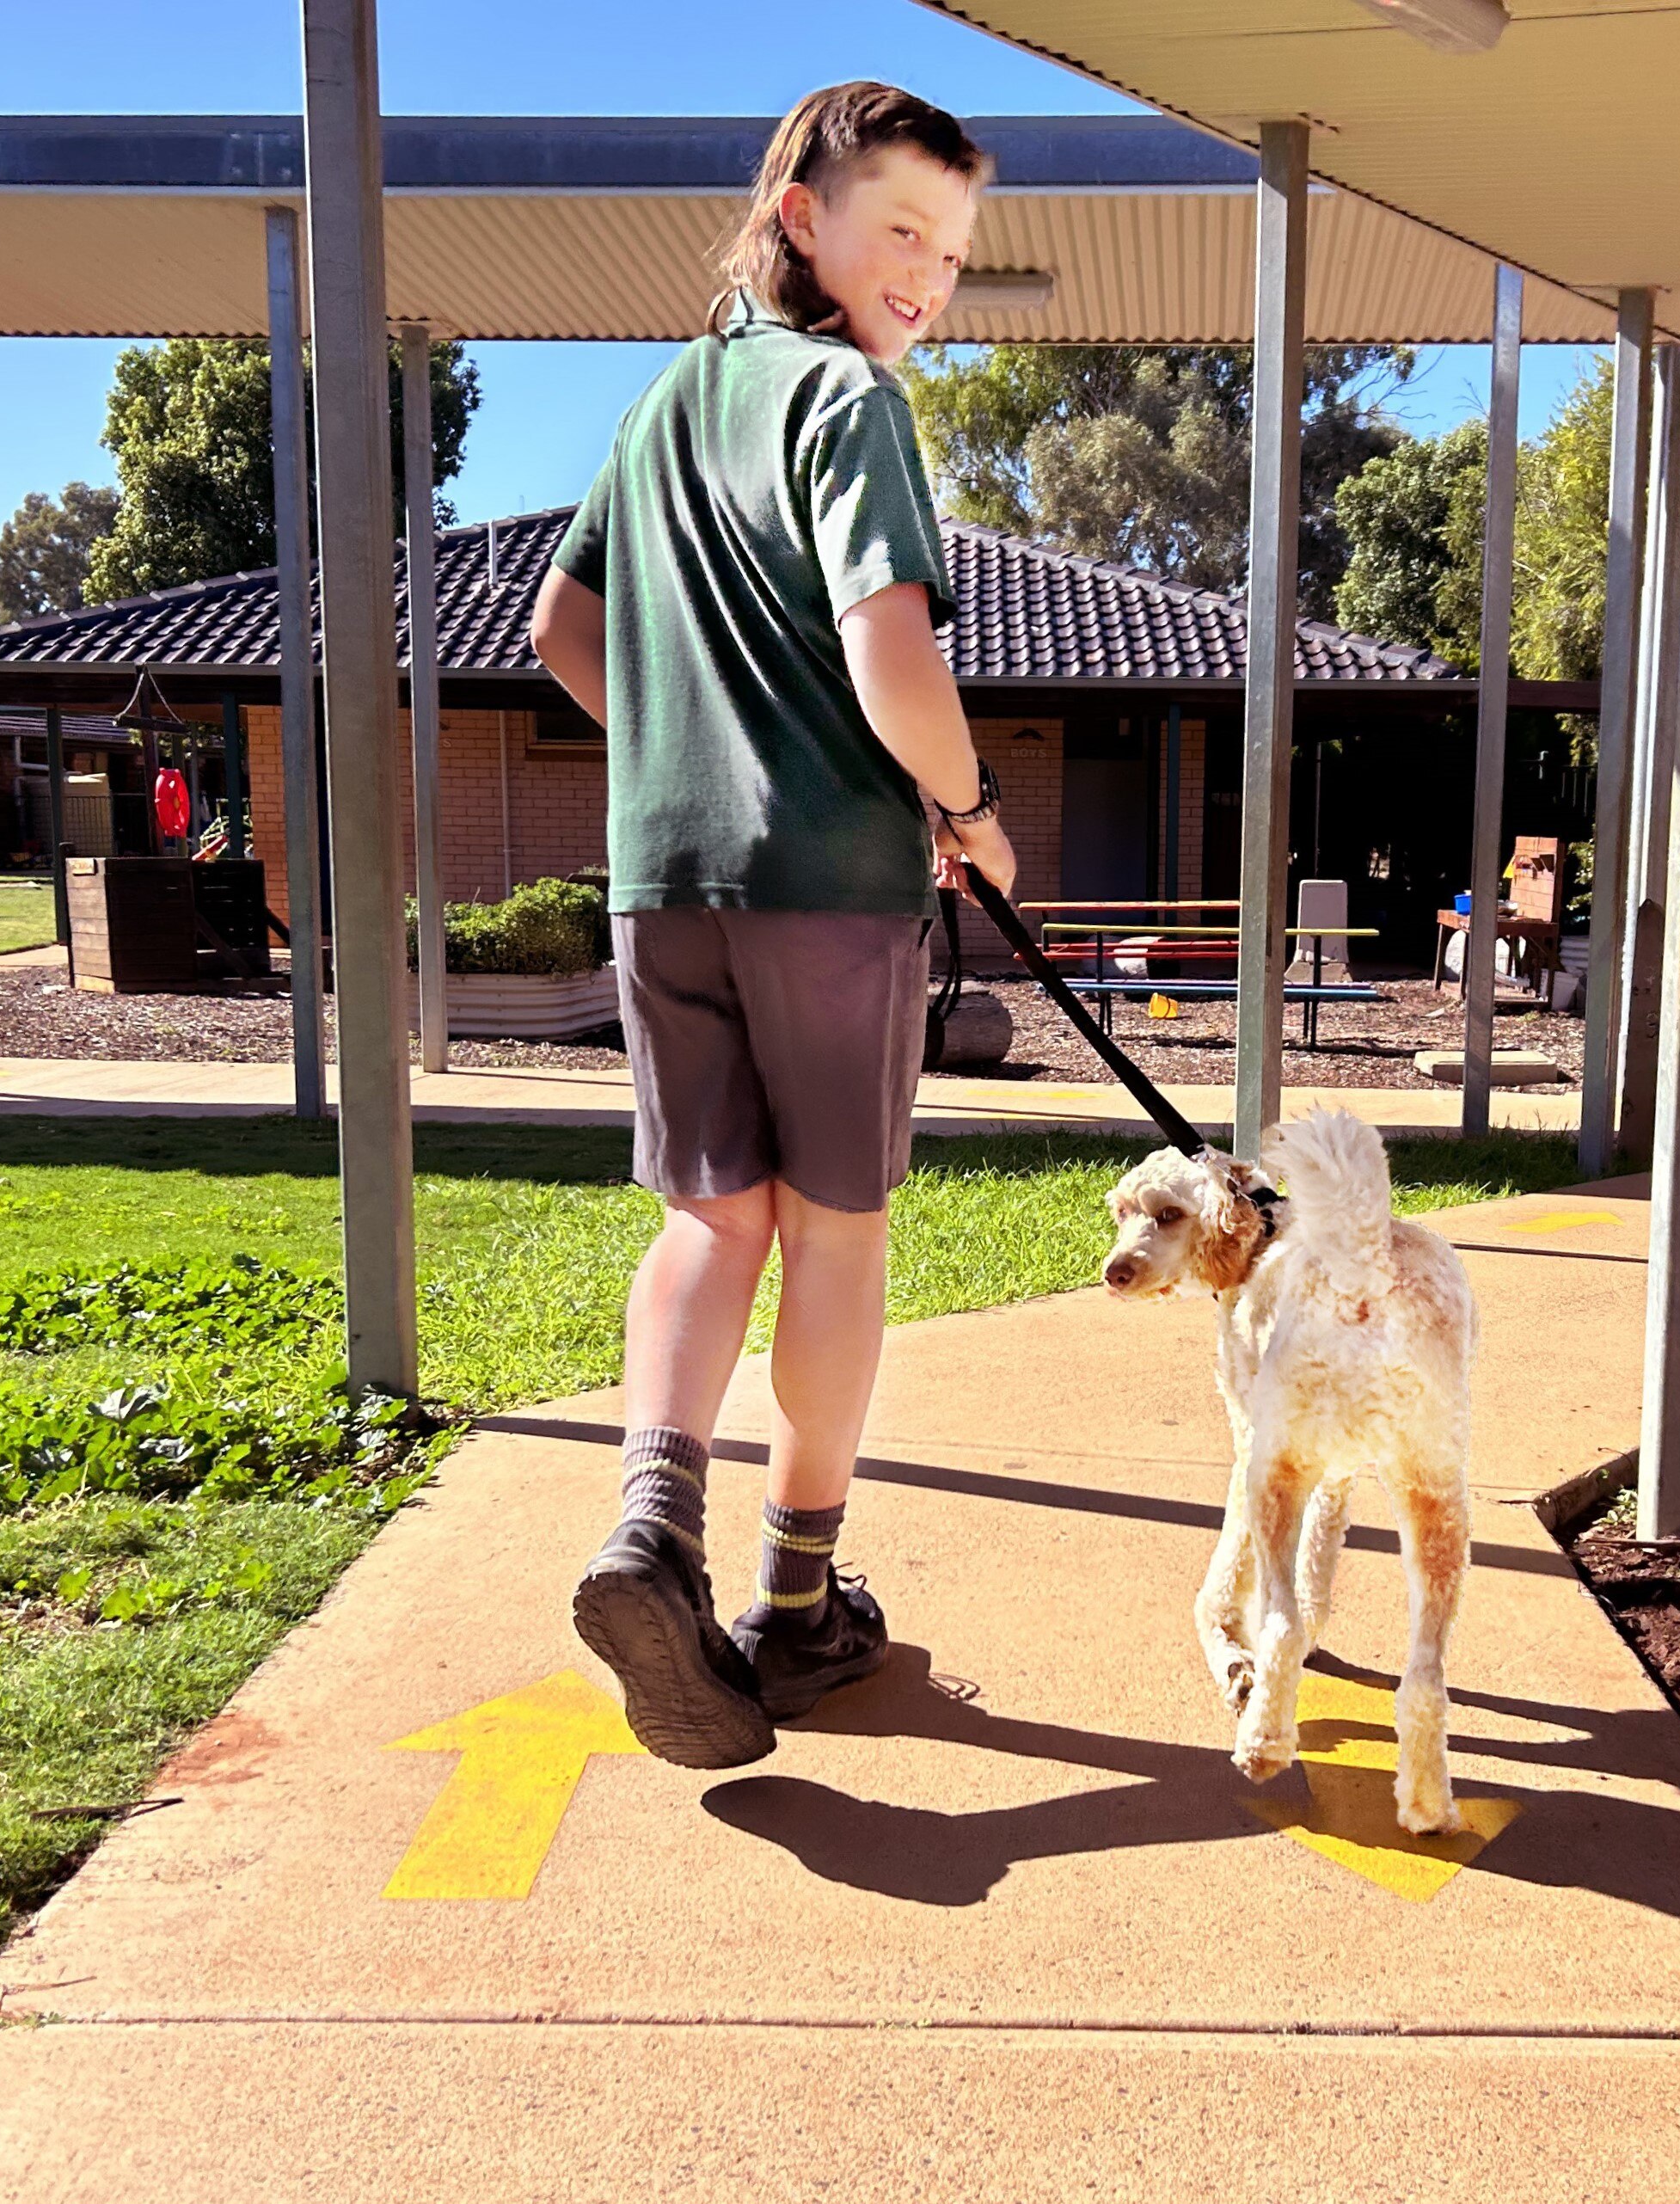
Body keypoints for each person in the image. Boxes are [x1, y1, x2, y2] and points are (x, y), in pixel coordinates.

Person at [528, 82, 1017, 1770]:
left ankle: (646, 1530)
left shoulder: (663, 406)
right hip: (828, 885)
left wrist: (692, 755)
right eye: (904, 232)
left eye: (953, 251)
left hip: (662, 880)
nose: (930, 278)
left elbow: (562, 629)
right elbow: (894, 655)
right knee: (836, 1234)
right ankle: (794, 1606)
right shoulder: (846, 400)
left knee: (706, 1216)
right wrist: (966, 810)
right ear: (802, 216)